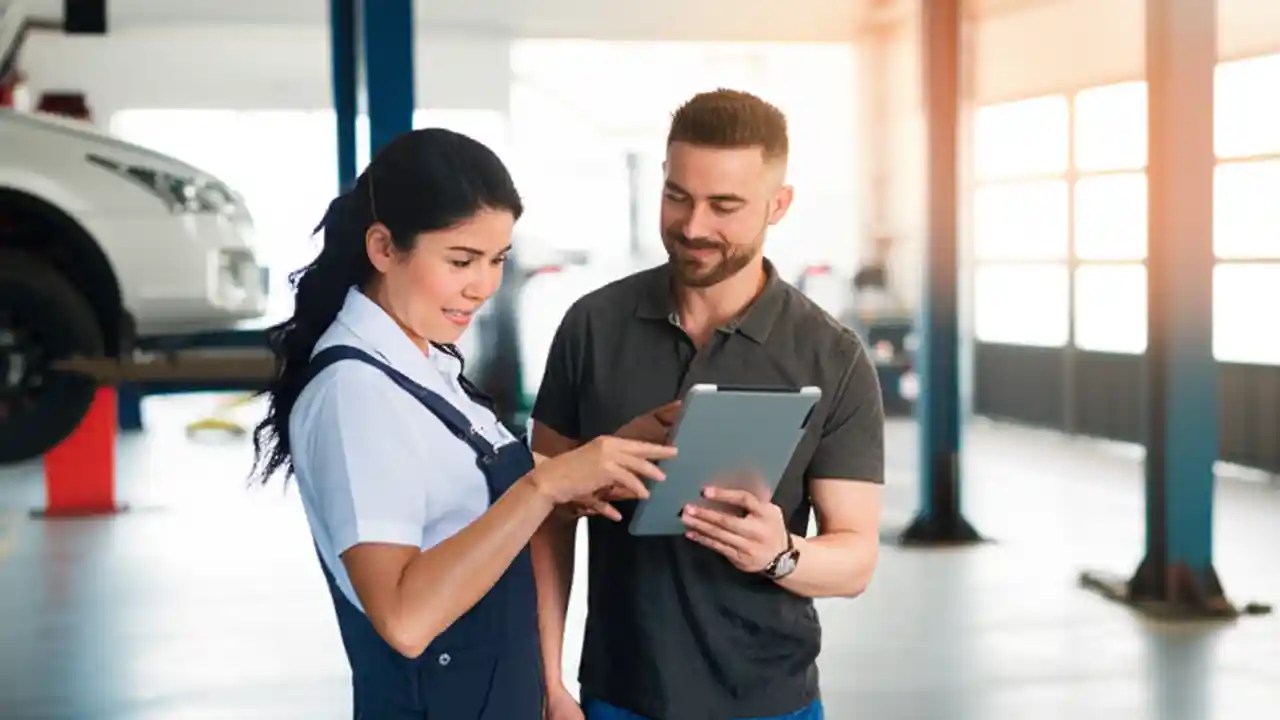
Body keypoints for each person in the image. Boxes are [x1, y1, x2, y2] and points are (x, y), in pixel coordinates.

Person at [248, 128, 677, 719]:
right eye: (460, 260)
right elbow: (403, 618)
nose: (482, 286)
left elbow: (469, 513)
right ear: (382, 247)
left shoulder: (422, 364)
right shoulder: (355, 395)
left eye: (497, 260)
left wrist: (602, 461)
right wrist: (544, 485)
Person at [531, 90, 886, 720]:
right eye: (678, 196)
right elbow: (542, 521)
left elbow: (854, 558)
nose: (694, 226)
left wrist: (780, 554)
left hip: (773, 702)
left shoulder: (833, 357)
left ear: (779, 205)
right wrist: (548, 682)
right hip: (620, 695)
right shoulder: (592, 327)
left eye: (725, 205)